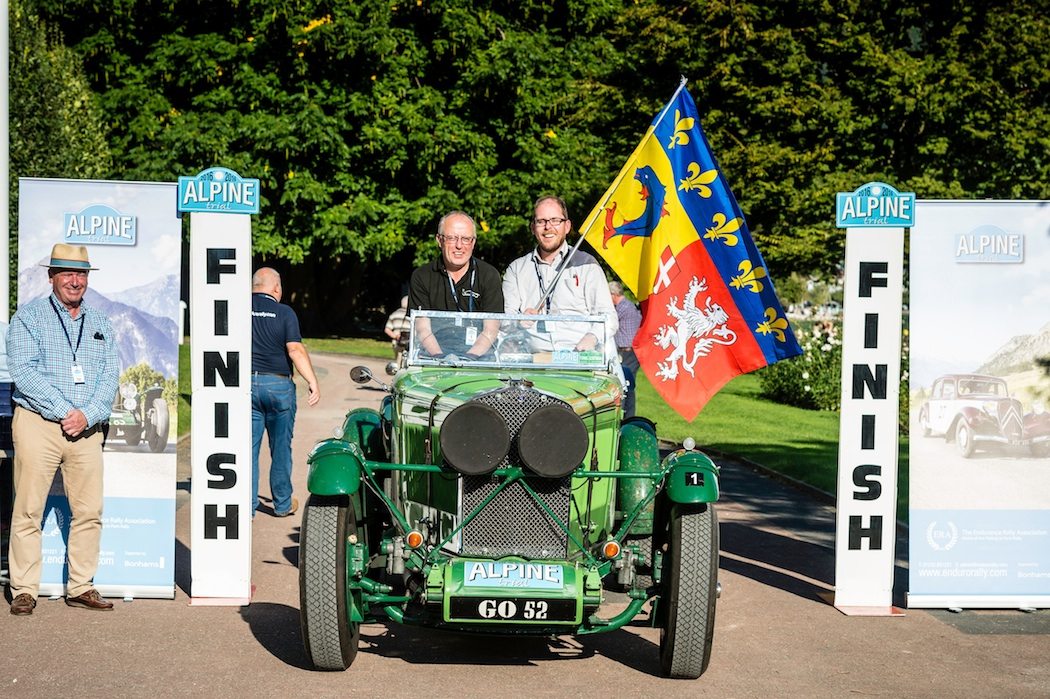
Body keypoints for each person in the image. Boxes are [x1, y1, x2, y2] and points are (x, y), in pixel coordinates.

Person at [6, 243, 119, 615]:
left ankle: (81, 586)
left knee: (89, 511)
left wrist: (87, 414)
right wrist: (65, 410)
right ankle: (24, 589)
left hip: (87, 429)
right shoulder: (29, 317)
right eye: (68, 273)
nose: (75, 281)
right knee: (28, 510)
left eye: (82, 274)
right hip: (39, 423)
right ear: (51, 276)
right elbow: (24, 371)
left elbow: (109, 376)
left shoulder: (101, 322)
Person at [503, 195, 618, 351]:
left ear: (567, 226)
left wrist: (592, 337)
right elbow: (504, 321)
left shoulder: (587, 265)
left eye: (555, 220)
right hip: (533, 362)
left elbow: (609, 317)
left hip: (580, 361)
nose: (548, 227)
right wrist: (518, 321)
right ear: (532, 227)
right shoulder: (516, 269)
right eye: (541, 221)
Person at [251, 267, 320, 519]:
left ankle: (247, 506)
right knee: (280, 447)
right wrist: (312, 381)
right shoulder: (284, 312)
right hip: (278, 387)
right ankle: (281, 504)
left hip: (245, 387)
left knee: (249, 448)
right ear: (276, 289)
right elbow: (295, 350)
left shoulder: (237, 309)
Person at [408, 211, 503, 358]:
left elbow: (491, 329)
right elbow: (422, 329)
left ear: (473, 242)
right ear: (439, 240)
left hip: (479, 358)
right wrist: (441, 360)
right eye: (451, 238)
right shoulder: (422, 276)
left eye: (465, 239)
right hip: (433, 358)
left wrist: (469, 359)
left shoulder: (489, 275)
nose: (459, 245)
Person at [609, 280, 642, 418]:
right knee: (629, 384)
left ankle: (624, 415)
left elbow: (610, 320)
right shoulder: (628, 305)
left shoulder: (622, 308)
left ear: (613, 294)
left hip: (627, 351)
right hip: (630, 351)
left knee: (623, 383)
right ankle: (628, 415)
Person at [383, 295, 411, 359]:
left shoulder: (394, 314)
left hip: (397, 342)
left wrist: (395, 336)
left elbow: (387, 329)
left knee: (398, 360)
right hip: (409, 342)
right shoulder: (411, 315)